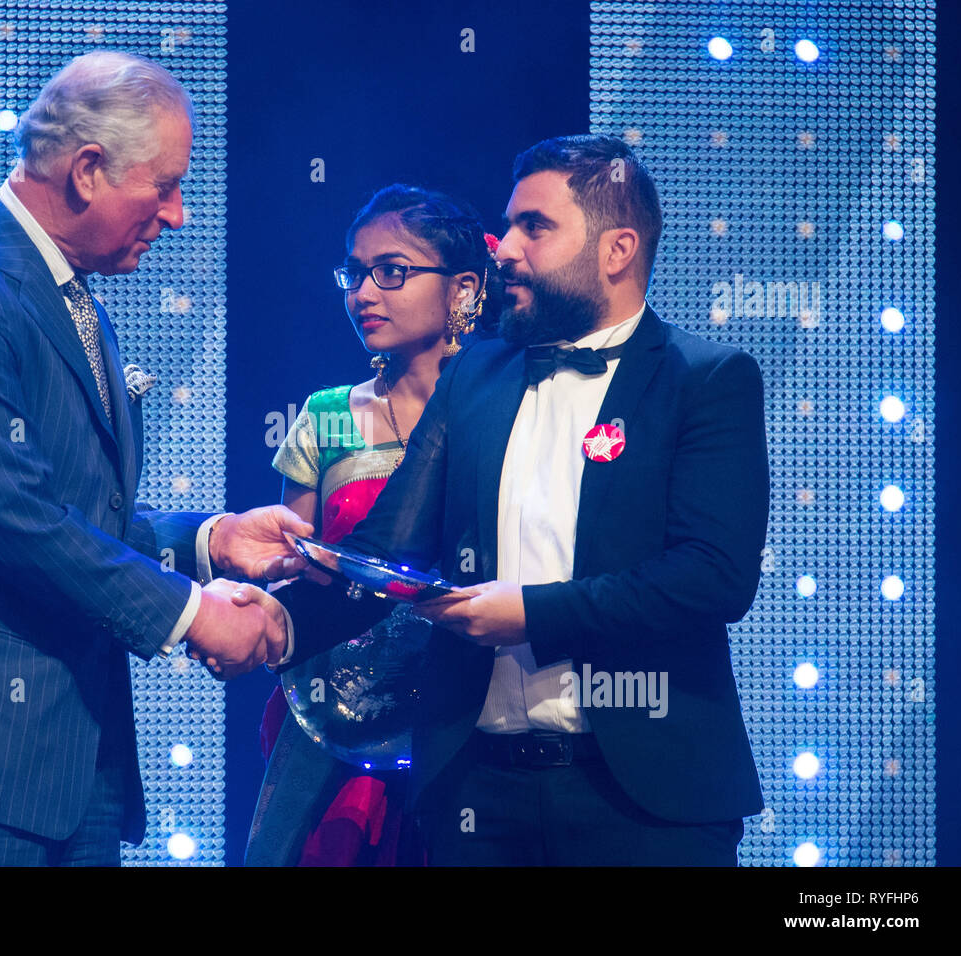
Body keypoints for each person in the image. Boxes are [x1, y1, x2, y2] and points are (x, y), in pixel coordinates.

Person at [0, 50, 306, 866]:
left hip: (70, 775)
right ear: (88, 169)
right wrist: (192, 612)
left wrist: (210, 541)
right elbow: (13, 519)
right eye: (165, 186)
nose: (178, 214)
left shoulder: (72, 301)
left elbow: (72, 516)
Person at [271, 134, 769, 865]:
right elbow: (385, 553)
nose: (502, 248)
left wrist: (530, 612)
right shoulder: (476, 375)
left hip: (649, 805)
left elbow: (711, 579)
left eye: (535, 226)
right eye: (508, 226)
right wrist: (269, 623)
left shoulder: (706, 379)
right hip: (479, 798)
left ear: (617, 249)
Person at [246, 185, 491, 866]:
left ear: (462, 291)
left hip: (467, 714)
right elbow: (291, 565)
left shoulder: (504, 413)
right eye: (354, 273)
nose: (362, 293)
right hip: (337, 721)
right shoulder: (326, 416)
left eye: (391, 271)